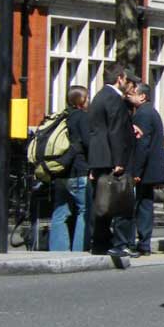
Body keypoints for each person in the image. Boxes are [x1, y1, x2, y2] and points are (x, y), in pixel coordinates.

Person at [87, 63, 137, 256]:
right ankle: (120, 243)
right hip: (112, 158)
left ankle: (100, 243)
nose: (127, 83)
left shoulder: (99, 97)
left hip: (99, 158)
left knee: (102, 202)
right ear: (120, 79)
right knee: (120, 201)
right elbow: (115, 130)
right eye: (126, 79)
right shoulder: (114, 98)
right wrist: (119, 161)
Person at [48, 85, 91, 252]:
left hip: (61, 170)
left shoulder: (63, 116)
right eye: (87, 98)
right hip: (78, 170)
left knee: (60, 212)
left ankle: (58, 250)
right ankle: (79, 248)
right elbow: (88, 142)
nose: (89, 101)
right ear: (80, 101)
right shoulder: (82, 117)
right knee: (84, 210)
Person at [127, 82, 164, 257]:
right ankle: (144, 243)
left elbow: (142, 145)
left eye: (133, 92)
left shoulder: (142, 114)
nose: (129, 95)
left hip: (144, 170)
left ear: (142, 96)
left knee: (141, 206)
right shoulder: (150, 112)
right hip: (150, 168)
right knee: (146, 205)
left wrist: (136, 171)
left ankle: (141, 243)